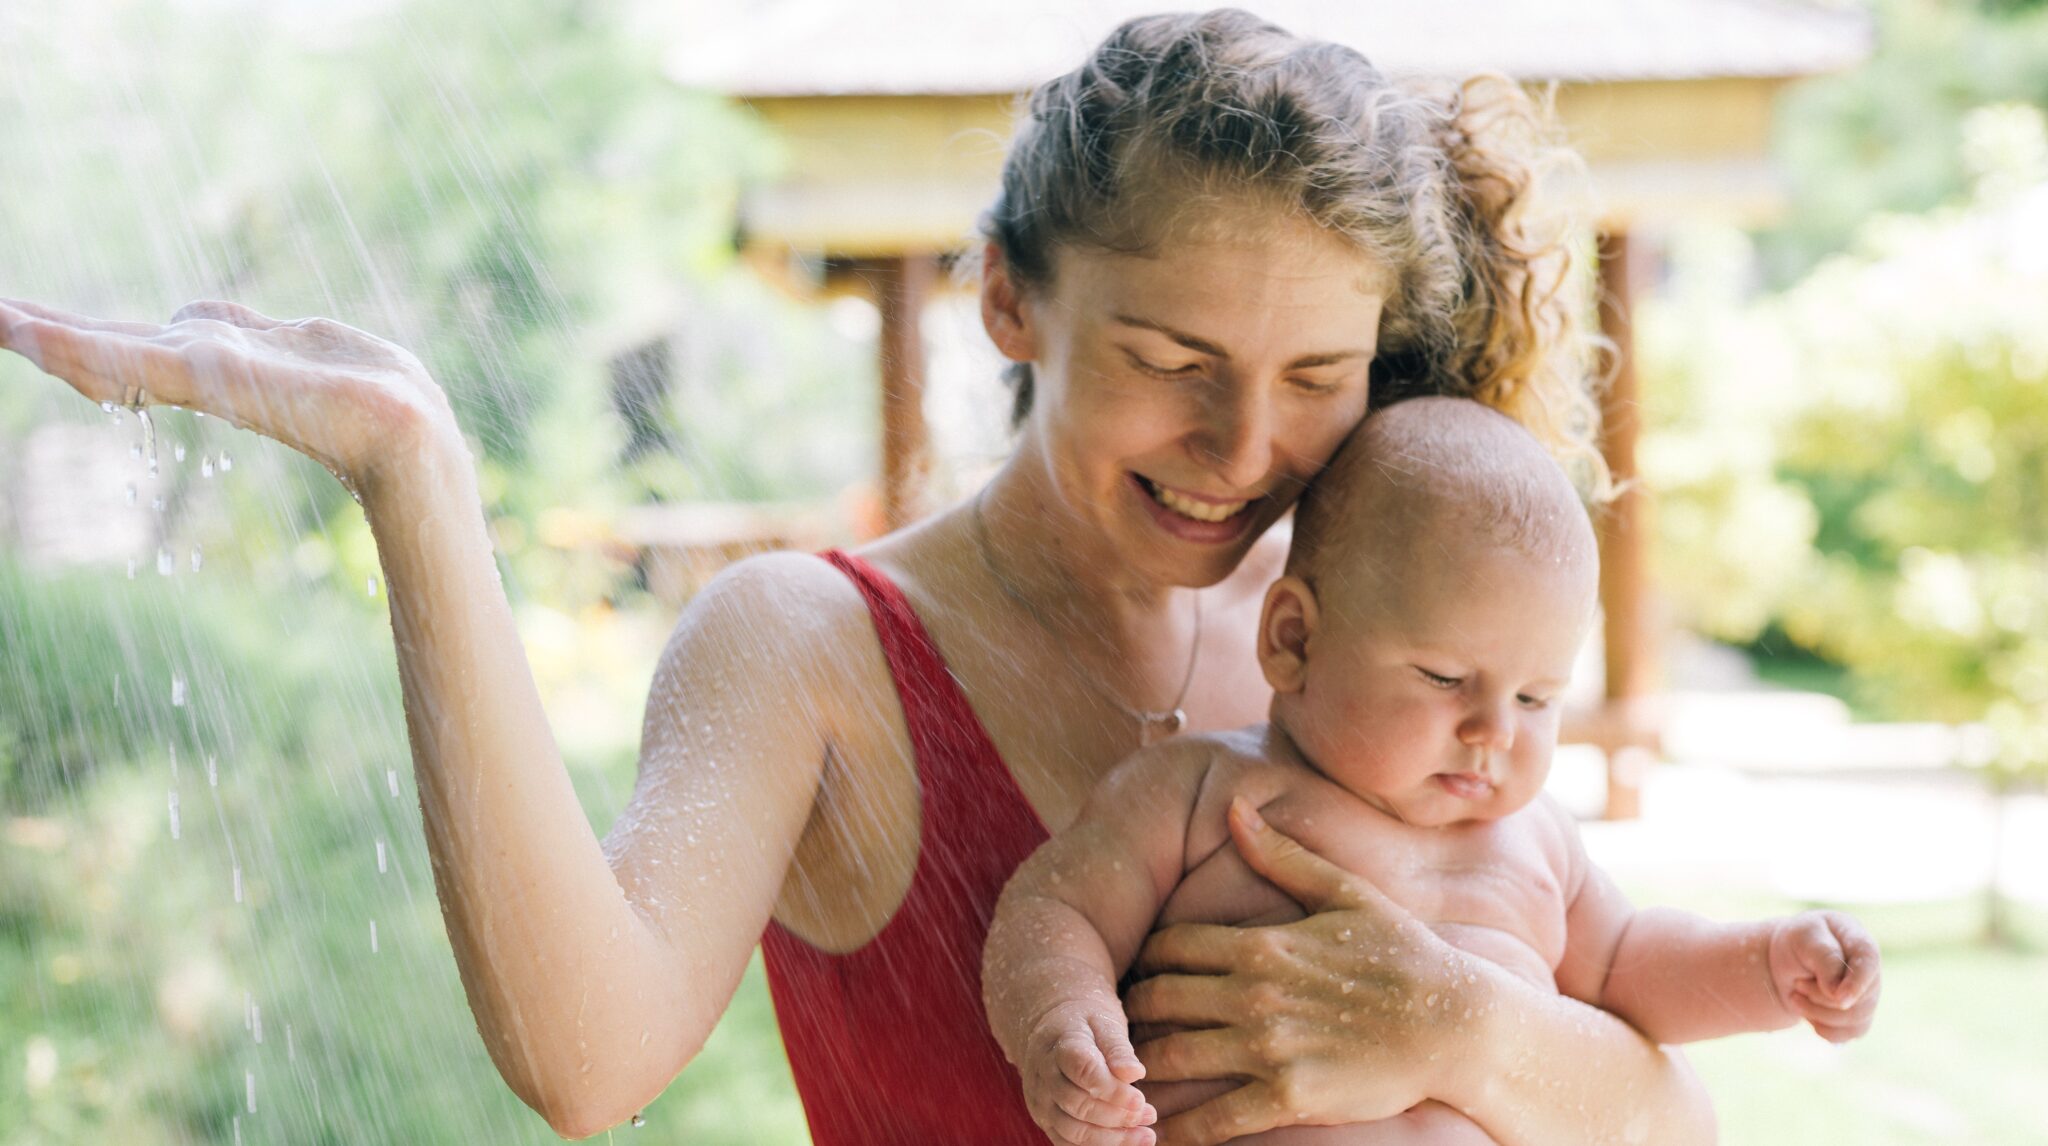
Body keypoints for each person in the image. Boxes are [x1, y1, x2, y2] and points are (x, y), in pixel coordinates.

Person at [0, 10, 1722, 1144]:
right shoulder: (815, 648)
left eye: (1312, 378)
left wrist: (1454, 1028)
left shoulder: (1373, 663)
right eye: (1167, 355)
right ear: (1005, 302)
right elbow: (583, 1060)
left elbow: (1666, 1112)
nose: (1237, 443)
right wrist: (416, 477)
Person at [984, 397, 1883, 1146]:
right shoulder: (1199, 792)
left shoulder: (1536, 843)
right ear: (1294, 638)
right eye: (1447, 679)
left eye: (1537, 698)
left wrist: (1767, 968)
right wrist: (1062, 1023)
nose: (1493, 729)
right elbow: (1055, 907)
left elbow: (1632, 964)